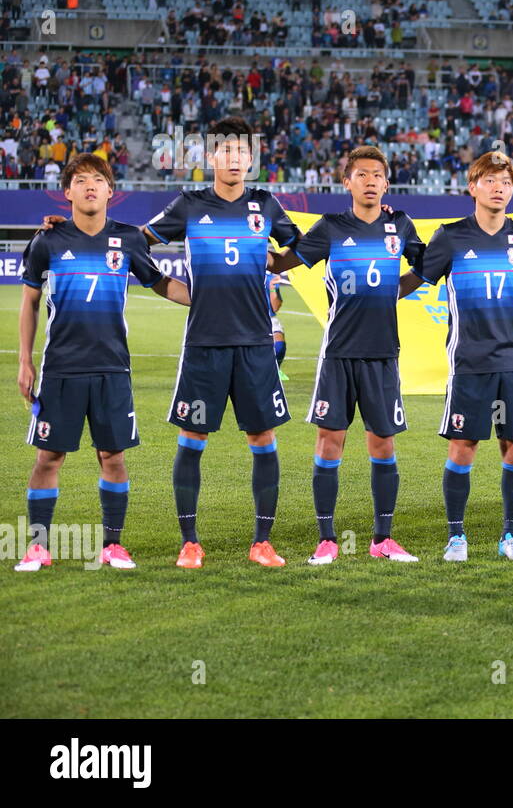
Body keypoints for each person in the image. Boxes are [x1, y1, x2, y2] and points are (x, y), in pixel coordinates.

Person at [15, 155, 190, 572]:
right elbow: (30, 301)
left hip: (113, 369)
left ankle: (113, 546)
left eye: (98, 180)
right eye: (80, 180)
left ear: (111, 191)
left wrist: (212, 298)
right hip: (60, 368)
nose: (90, 185)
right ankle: (38, 546)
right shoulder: (48, 241)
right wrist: (25, 361)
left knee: (112, 456)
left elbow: (162, 283)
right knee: (48, 457)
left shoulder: (128, 240)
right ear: (67, 191)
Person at [144, 116, 303, 568]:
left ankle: (262, 542)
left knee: (263, 436)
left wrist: (275, 261)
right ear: (210, 157)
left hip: (256, 344)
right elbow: (137, 244)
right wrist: (166, 286)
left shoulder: (265, 205)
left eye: (242, 153)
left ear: (251, 161)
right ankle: (190, 542)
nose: (234, 159)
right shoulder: (189, 205)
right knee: (192, 437)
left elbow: (304, 247)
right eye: (226, 152)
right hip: (205, 344)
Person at [268, 146, 428, 564]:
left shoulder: (401, 225)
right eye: (362, 174)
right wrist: (251, 250)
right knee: (329, 442)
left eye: (378, 175)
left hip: (382, 354)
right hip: (338, 352)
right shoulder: (331, 227)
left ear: (387, 183)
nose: (371, 181)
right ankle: (326, 539)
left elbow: (428, 266)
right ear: (347, 182)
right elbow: (287, 258)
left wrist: (395, 290)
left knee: (383, 445)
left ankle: (382, 539)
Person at [418, 152, 513, 561]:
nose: (499, 188)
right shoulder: (449, 236)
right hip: (469, 362)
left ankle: (512, 536)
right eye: (489, 180)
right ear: (473, 187)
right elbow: (416, 278)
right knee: (463, 447)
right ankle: (456, 537)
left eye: (505, 181)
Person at [265, 271, 288, 381]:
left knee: (279, 345)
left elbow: (275, 307)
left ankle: (276, 370)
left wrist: (273, 288)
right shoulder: (245, 275)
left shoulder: (270, 278)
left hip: (268, 318)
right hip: (249, 318)